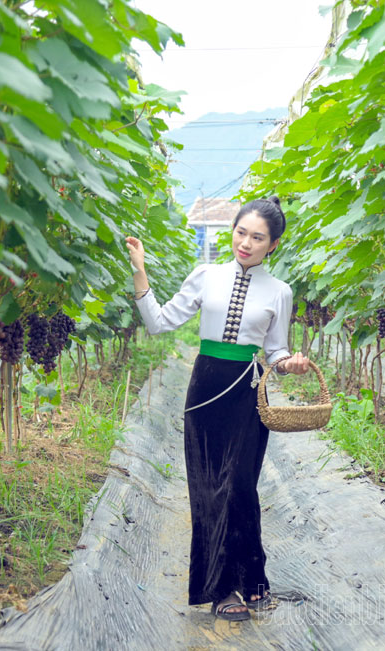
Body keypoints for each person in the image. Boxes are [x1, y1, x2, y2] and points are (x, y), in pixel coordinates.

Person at [125, 195, 308, 621]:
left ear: (272, 245)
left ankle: (254, 581)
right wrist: (140, 273)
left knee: (241, 488)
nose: (245, 243)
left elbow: (276, 352)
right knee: (209, 490)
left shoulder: (280, 292)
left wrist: (290, 364)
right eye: (240, 232)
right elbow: (159, 323)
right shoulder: (205, 275)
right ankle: (222, 590)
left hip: (247, 392)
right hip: (206, 390)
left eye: (257, 237)